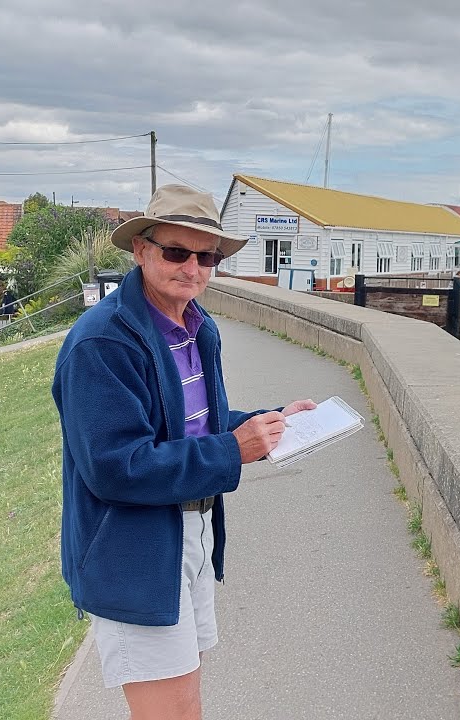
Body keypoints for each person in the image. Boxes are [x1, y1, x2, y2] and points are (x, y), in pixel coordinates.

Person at [51, 184, 316, 720]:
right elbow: (116, 468)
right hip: (135, 551)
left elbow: (197, 428)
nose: (192, 267)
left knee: (185, 696)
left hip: (189, 531)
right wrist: (230, 452)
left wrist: (266, 426)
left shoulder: (198, 328)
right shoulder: (103, 342)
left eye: (207, 256)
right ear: (141, 251)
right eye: (176, 251)